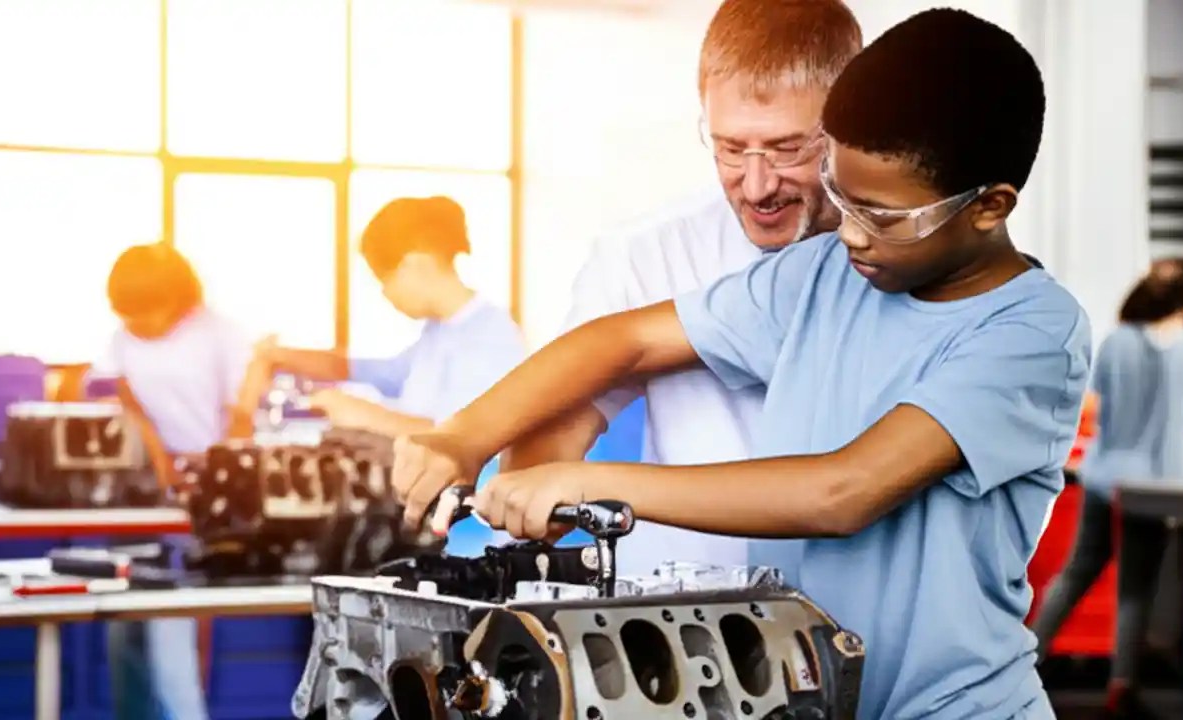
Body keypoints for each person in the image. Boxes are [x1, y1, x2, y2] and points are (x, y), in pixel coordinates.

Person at [392, 8, 1090, 719]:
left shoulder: (1032, 332)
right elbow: (621, 341)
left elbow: (842, 493)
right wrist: (465, 437)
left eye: (879, 215)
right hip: (802, 702)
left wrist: (590, 482)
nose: (849, 233)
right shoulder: (823, 273)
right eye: (843, 200)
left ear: (989, 207)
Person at [501, 0, 863, 575]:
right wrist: (540, 487)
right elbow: (553, 436)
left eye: (788, 147)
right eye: (729, 148)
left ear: (851, 122)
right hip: (684, 637)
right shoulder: (646, 256)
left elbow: (842, 494)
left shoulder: (900, 262)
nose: (757, 185)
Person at [1031, 258, 1183, 719]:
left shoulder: (1116, 342)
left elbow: (1091, 403)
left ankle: (1028, 663)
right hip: (1151, 487)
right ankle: (1123, 683)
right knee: (1136, 585)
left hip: (1102, 476)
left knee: (1076, 572)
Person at [89, 242, 257, 720]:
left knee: (171, 632)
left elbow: (239, 419)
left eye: (145, 310)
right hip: (137, 499)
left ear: (177, 298)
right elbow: (119, 402)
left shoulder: (221, 334)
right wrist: (157, 459)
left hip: (199, 500)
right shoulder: (122, 339)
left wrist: (212, 485)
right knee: (123, 628)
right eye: (126, 313)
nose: (136, 322)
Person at [250, 195, 525, 439]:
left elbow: (463, 438)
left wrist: (366, 415)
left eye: (385, 280)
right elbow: (379, 373)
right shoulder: (439, 332)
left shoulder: (490, 338)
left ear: (416, 264)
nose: (385, 294)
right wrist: (285, 356)